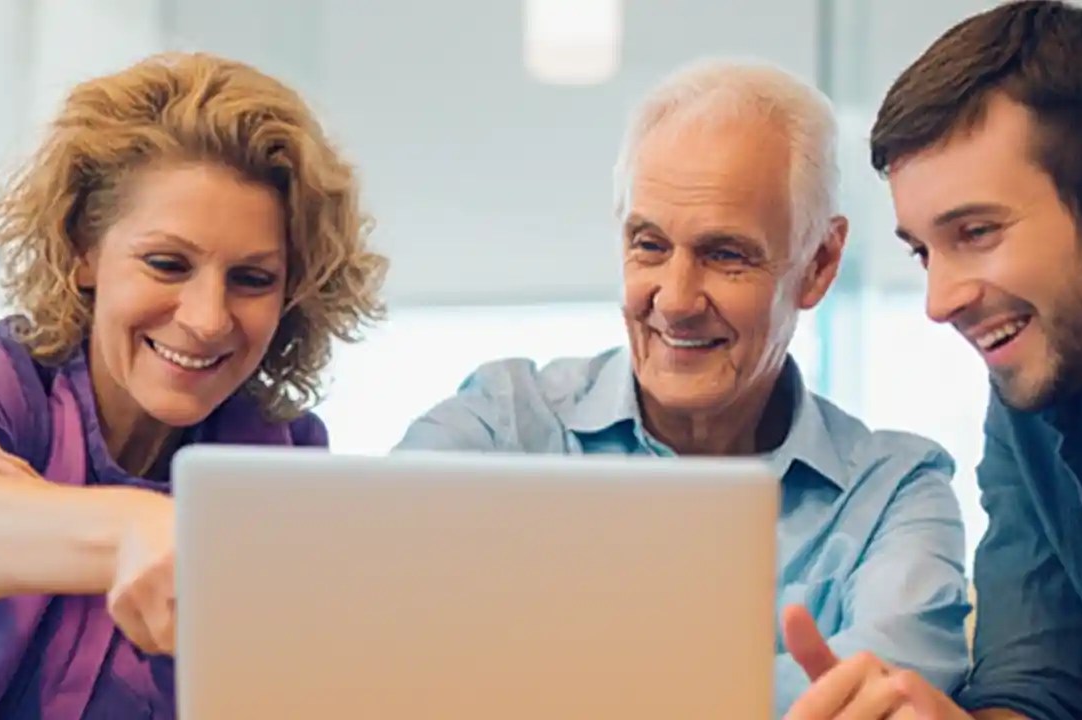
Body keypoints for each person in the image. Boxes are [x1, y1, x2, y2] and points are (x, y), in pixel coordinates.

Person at [396, 60, 971, 716]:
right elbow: (375, 627)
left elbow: (885, 696)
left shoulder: (894, 493)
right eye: (648, 245)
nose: (674, 300)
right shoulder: (498, 428)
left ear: (819, 264)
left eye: (726, 255)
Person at [779, 2, 1082, 719]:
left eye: (977, 231)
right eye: (923, 251)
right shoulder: (1041, 399)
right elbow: (1035, 682)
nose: (940, 299)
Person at [0, 52, 387, 718]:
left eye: (252, 280)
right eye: (167, 264)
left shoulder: (283, 461)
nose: (207, 318)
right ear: (82, 249)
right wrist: (140, 528)